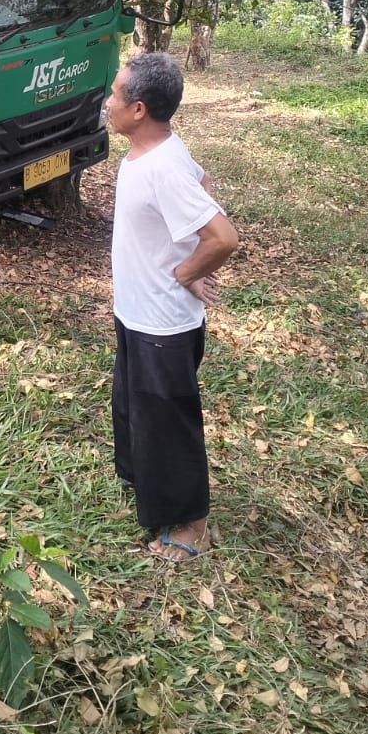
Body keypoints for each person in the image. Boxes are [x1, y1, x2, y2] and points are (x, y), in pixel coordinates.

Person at [106, 53, 239, 561]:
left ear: (138, 109)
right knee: (133, 406)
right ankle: (141, 478)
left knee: (169, 424)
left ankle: (191, 526)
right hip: (136, 313)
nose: (107, 102)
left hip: (162, 325)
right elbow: (202, 183)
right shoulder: (156, 151)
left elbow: (223, 237)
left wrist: (188, 272)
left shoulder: (162, 167)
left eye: (114, 94)